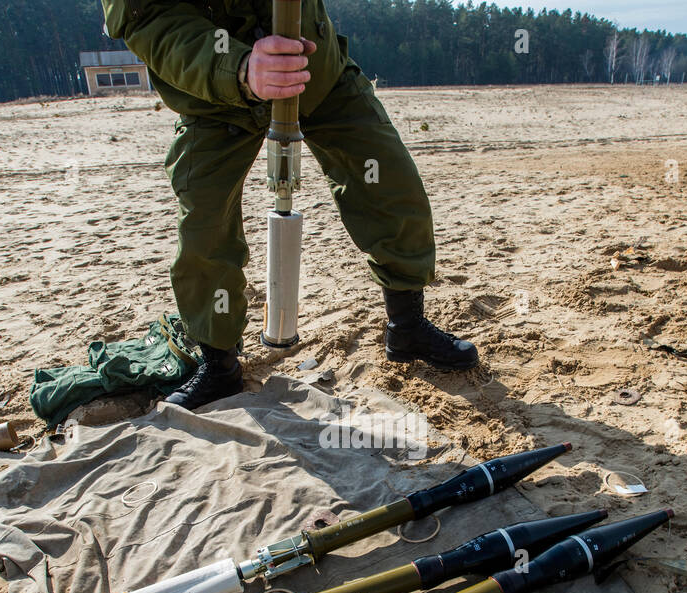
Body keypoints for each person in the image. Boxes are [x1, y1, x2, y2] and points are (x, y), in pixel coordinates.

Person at [100, 0, 479, 410]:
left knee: (388, 181)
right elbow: (149, 20)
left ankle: (407, 326)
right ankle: (219, 365)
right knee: (205, 224)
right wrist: (238, 67)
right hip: (213, 96)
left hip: (316, 75)